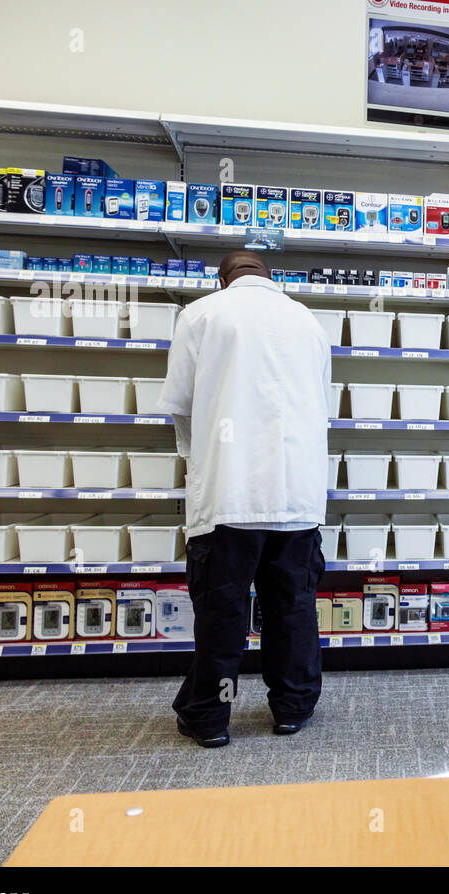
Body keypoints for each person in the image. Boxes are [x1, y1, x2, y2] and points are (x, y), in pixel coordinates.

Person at [158, 250, 333, 748]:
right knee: (293, 608)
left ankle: (209, 719)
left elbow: (182, 406)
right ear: (270, 277)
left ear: (223, 277)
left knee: (223, 612)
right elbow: (320, 406)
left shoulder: (202, 315)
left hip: (228, 493)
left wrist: (205, 456)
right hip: (296, 495)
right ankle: (292, 710)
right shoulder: (309, 322)